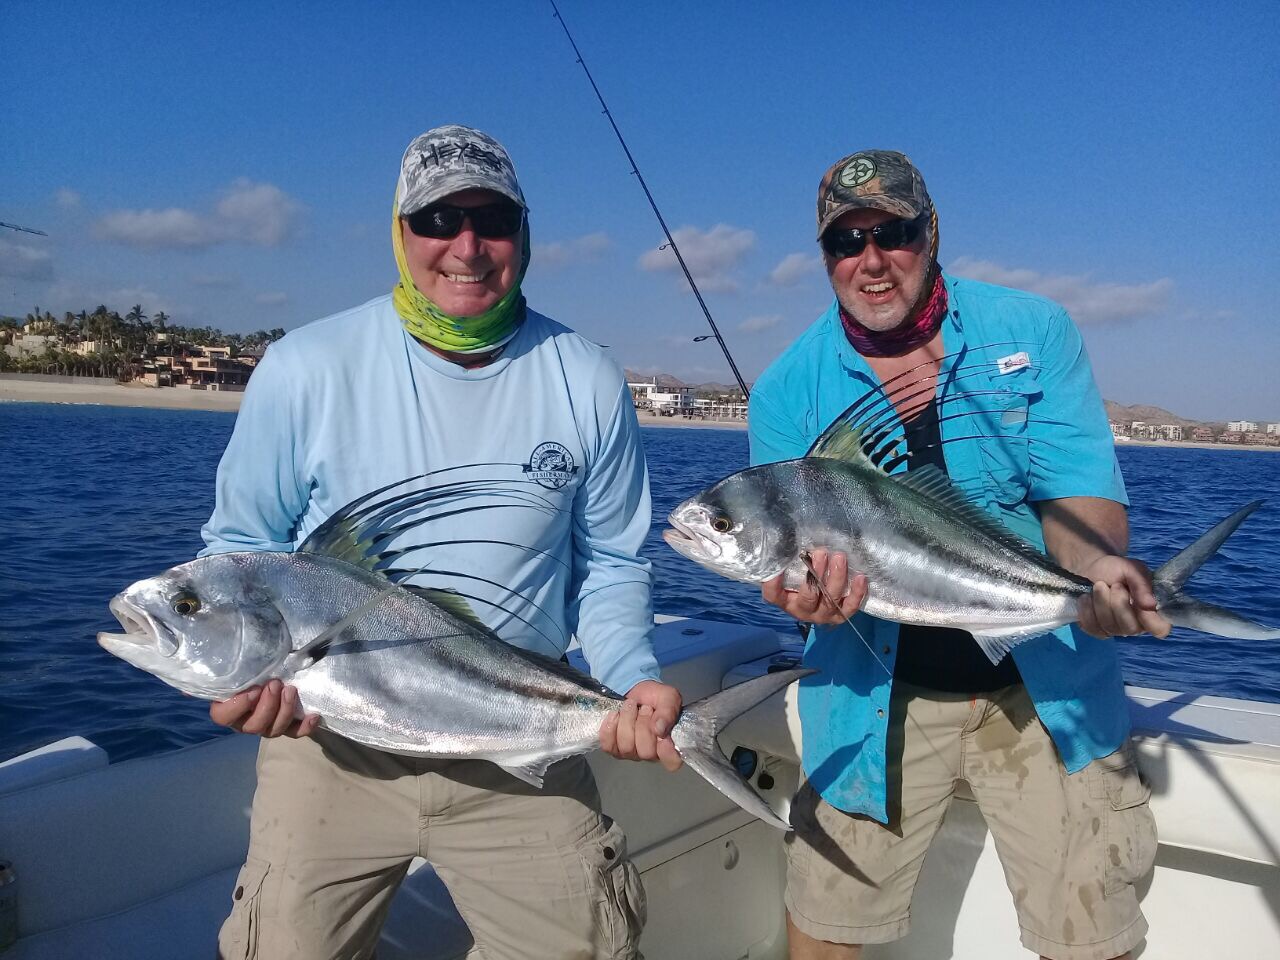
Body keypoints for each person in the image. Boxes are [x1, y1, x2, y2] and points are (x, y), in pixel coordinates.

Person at [202, 124, 681, 960]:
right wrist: (244, 676)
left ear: (524, 235)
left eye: (491, 219)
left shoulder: (588, 377)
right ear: (399, 232)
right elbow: (241, 554)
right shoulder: (305, 367)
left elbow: (609, 563)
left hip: (520, 743)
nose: (466, 245)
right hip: (330, 750)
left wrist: (633, 677)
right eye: (436, 220)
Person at [748, 150, 1165, 960]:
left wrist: (1097, 573)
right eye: (846, 242)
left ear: (932, 232)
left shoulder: (1034, 331)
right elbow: (783, 560)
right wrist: (798, 597)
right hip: (869, 700)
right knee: (827, 930)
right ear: (826, 256)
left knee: (1091, 940)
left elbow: (1076, 495)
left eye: (894, 232)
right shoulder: (785, 389)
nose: (871, 260)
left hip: (1046, 692)